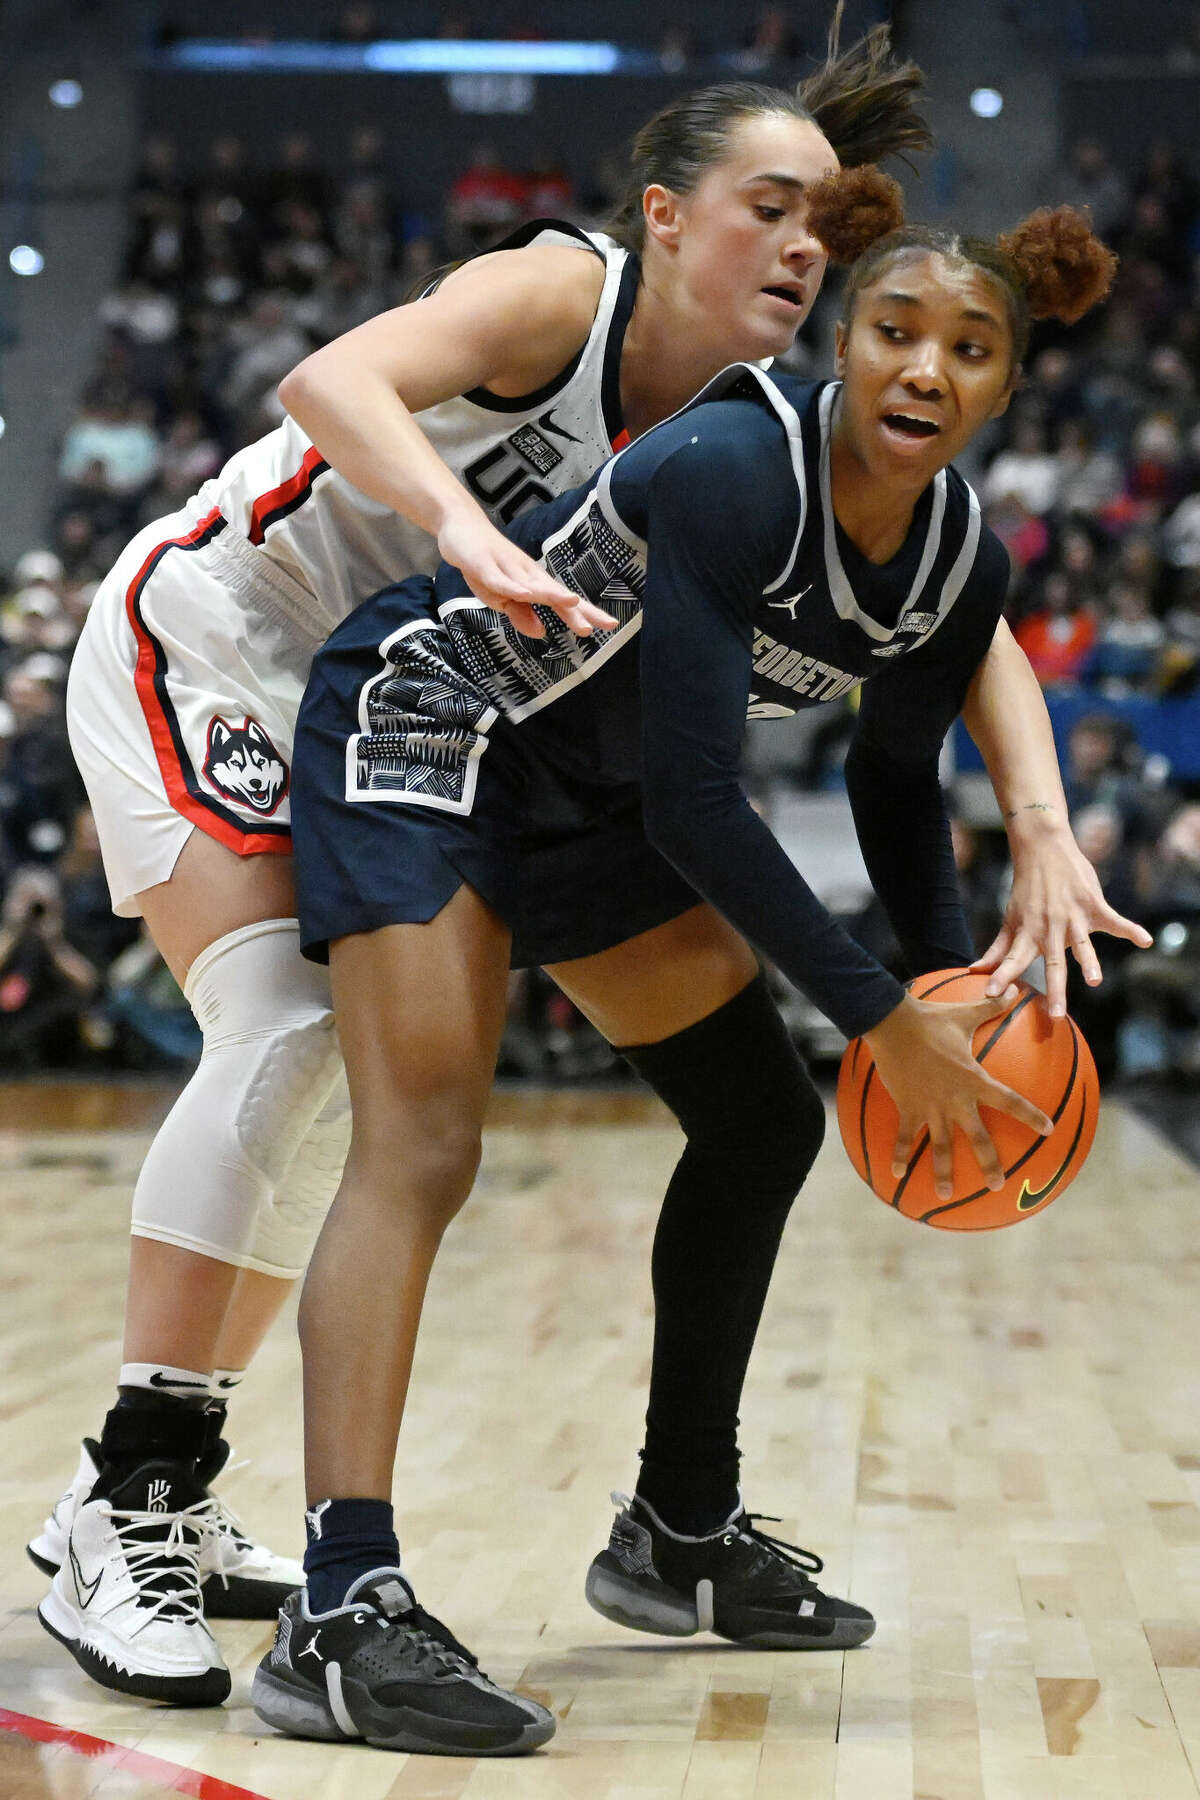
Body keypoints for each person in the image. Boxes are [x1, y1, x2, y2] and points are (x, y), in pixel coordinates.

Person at [37, 24, 947, 1711]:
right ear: (668, 217)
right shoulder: (562, 292)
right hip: (232, 634)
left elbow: (934, 578)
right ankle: (130, 1500)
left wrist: (1026, 831)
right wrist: (468, 530)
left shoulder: (762, 417)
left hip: (463, 717)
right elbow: (327, 384)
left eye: (826, 219)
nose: (808, 246)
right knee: (292, 1028)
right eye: (770, 206)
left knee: (669, 1103)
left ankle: (651, 1519)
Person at [251, 179, 1150, 1757]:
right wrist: (879, 1017)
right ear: (845, 344)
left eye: (970, 348)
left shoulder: (957, 560)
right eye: (894, 331)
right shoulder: (745, 465)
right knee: (424, 1145)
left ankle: (678, 1531)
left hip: (590, 798)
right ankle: (342, 1607)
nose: (925, 370)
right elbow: (695, 799)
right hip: (445, 727)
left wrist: (947, 1009)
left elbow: (888, 783)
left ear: (1015, 380)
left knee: (761, 1120)